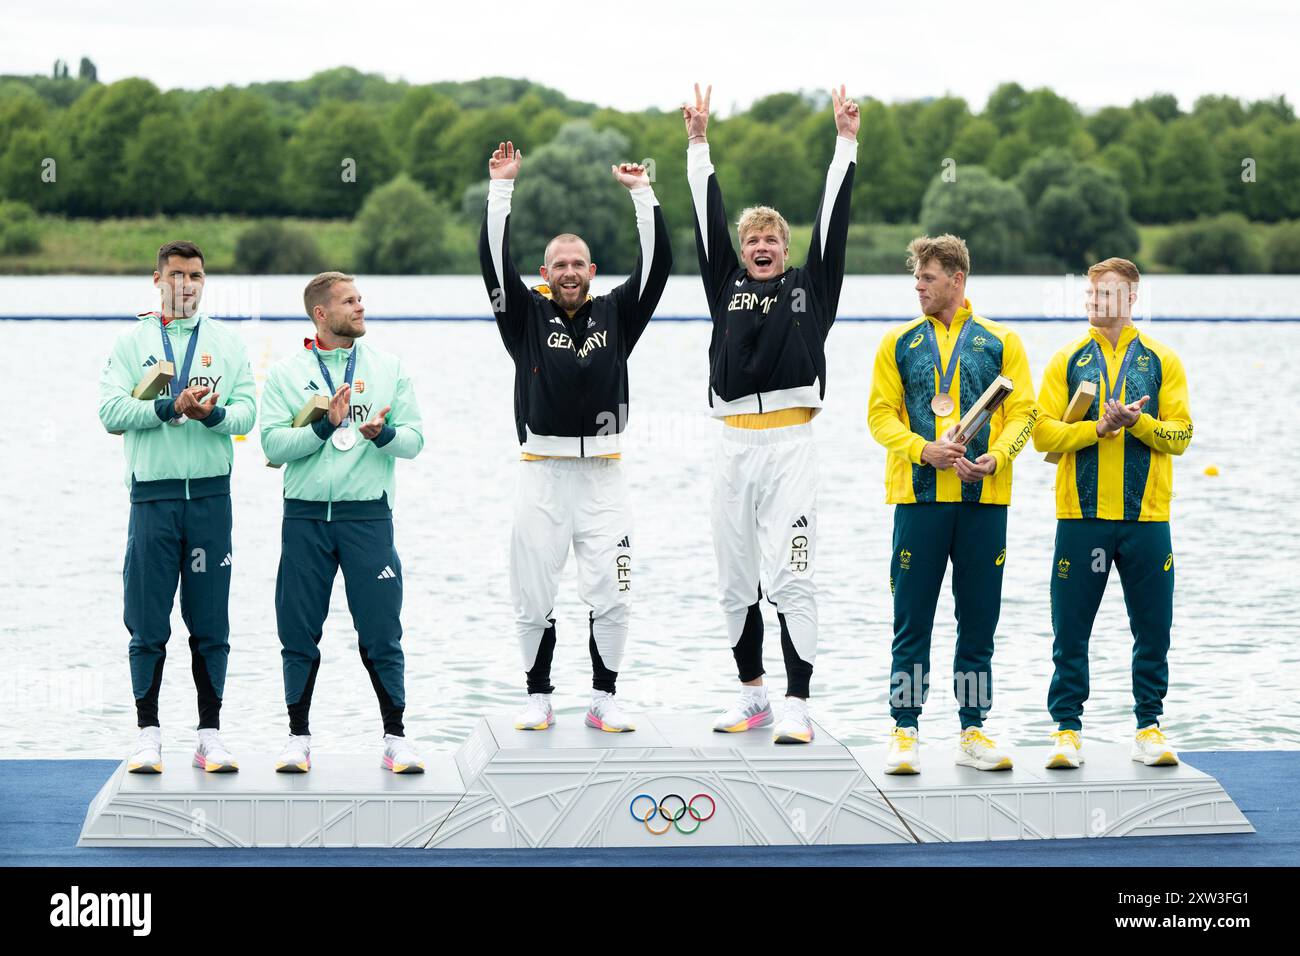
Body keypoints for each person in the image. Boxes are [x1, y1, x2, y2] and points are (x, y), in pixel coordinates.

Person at [683, 83, 859, 744]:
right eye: (752, 237)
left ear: (786, 250)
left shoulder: (811, 288)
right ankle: (751, 694)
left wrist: (845, 141)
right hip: (730, 446)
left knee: (793, 575)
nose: (760, 245)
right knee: (734, 580)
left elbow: (834, 217)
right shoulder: (723, 282)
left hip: (790, 446)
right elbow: (706, 216)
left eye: (771, 239)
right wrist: (699, 144)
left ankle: (796, 703)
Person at [480, 140, 672, 733]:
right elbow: (491, 259)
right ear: (544, 274)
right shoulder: (523, 315)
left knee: (612, 592)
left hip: (605, 479)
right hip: (542, 473)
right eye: (557, 265)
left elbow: (659, 263)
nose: (568, 272)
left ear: (592, 272)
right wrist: (501, 188)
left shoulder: (619, 312)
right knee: (533, 594)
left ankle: (603, 697)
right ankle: (537, 696)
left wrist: (643, 194)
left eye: (577, 264)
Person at [867, 234, 1038, 774]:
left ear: (957, 280)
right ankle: (905, 728)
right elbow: (879, 417)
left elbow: (1024, 415)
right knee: (911, 620)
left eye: (927, 278)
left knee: (978, 621)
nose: (918, 286)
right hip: (918, 503)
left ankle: (972, 728)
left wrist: (999, 458)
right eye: (916, 277)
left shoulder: (1001, 341)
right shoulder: (898, 343)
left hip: (984, 502)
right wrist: (923, 449)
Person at [97, 240, 256, 773]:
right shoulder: (131, 341)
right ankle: (147, 734)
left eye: (196, 276)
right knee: (147, 621)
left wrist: (212, 416)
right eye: (177, 276)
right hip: (154, 498)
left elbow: (248, 414)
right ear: (157, 280)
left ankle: (209, 734)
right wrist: (167, 406)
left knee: (210, 621)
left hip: (210, 499)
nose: (187, 285)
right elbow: (111, 411)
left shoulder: (227, 343)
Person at [260, 272, 425, 773]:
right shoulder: (287, 373)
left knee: (381, 630)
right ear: (321, 314)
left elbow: (415, 441)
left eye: (361, 299)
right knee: (298, 629)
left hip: (368, 517)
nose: (361, 307)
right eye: (350, 301)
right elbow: (271, 446)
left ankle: (395, 738)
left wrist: (382, 434)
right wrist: (323, 426)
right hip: (306, 517)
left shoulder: (388, 367)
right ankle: (297, 739)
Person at [1032, 257, 1193, 769]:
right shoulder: (1067, 360)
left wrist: (1139, 422)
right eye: (1091, 294)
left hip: (1147, 519)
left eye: (1106, 295)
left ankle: (1148, 725)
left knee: (1153, 628)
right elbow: (1042, 436)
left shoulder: (1163, 360)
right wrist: (1096, 431)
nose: (1095, 303)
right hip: (1081, 519)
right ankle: (1067, 730)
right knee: (1071, 628)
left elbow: (1182, 436)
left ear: (1131, 300)